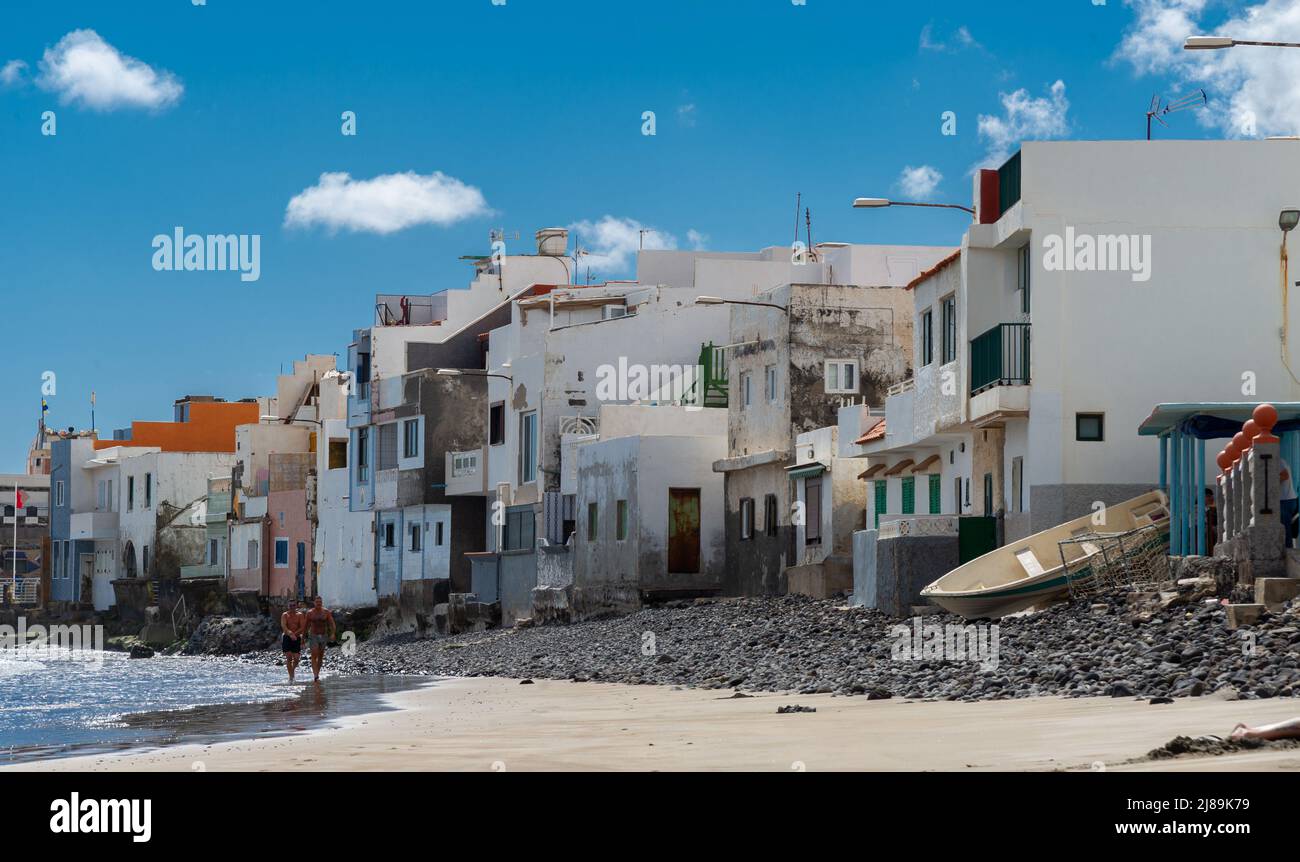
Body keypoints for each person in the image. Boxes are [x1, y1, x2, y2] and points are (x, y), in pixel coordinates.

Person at [303, 596, 336, 683]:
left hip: (323, 635)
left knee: (320, 656)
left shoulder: (326, 612)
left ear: (322, 603)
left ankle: (317, 673)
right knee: (314, 654)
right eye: (317, 602)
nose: (318, 603)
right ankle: (315, 675)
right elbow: (305, 626)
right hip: (313, 635)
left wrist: (332, 633)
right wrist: (303, 638)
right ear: (314, 603)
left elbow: (332, 623)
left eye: (320, 602)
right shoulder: (310, 613)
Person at [280, 600, 306, 682]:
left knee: (297, 659)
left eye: (294, 605)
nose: (292, 607)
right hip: (287, 637)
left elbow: (302, 627)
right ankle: (291, 677)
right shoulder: (285, 615)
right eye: (290, 605)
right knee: (289, 658)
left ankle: (292, 671)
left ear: (296, 606)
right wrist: (290, 633)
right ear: (288, 606)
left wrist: (295, 634)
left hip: (297, 637)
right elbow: (284, 626)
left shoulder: (300, 615)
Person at [1281, 459, 1298, 548]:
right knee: (1286, 527)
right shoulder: (1282, 461)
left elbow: (1285, 476)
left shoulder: (1278, 461)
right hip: (1288, 499)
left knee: (1285, 528)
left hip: (1286, 500)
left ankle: (1288, 551)